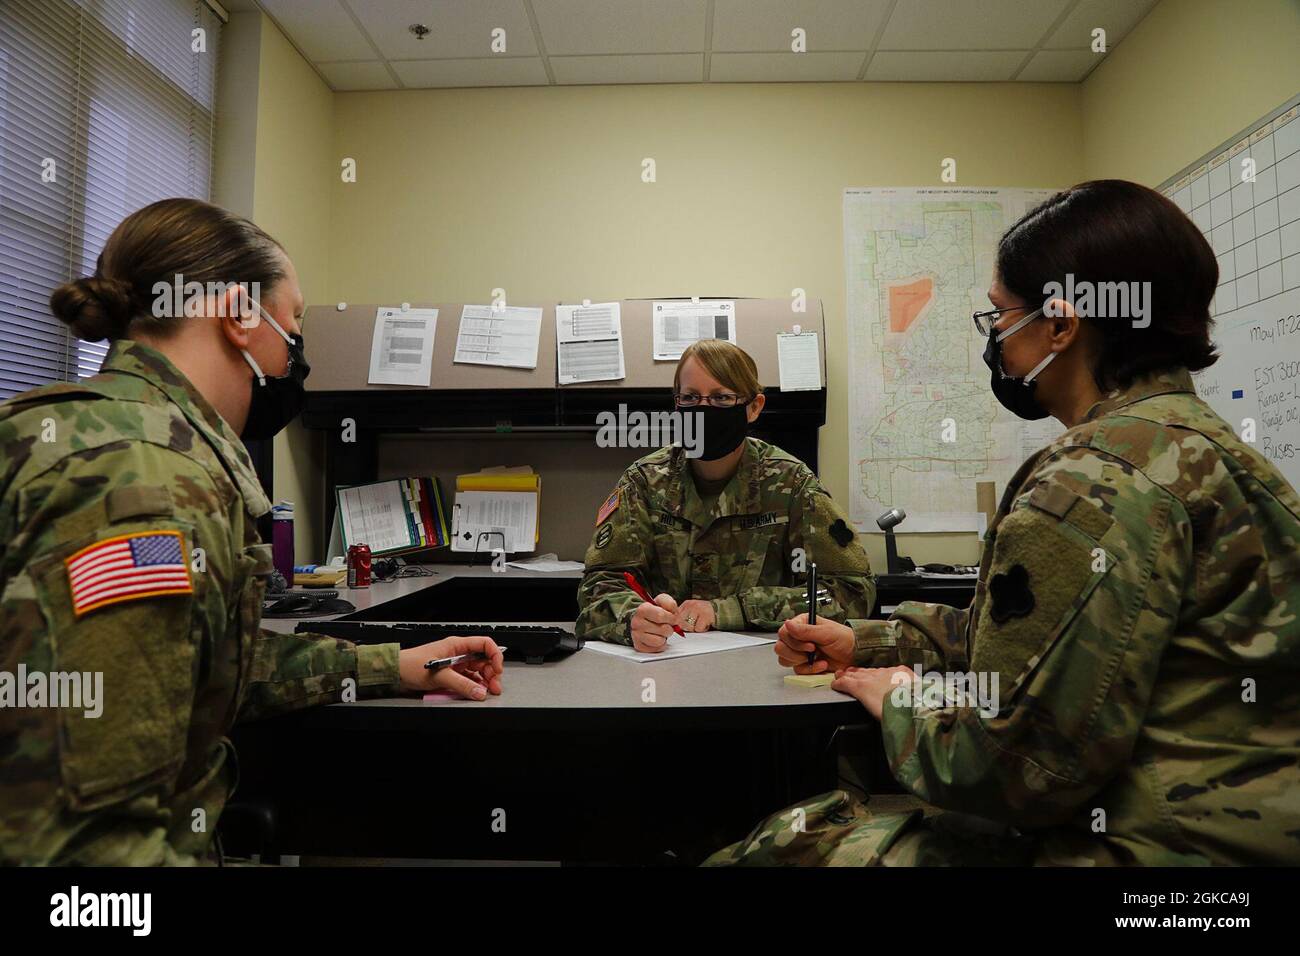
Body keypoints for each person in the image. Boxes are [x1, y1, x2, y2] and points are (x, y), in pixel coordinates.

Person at [709, 180, 1300, 866]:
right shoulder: (1219, 454)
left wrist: (905, 700)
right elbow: (1041, 637)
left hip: (1146, 852)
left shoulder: (1090, 480)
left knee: (784, 844)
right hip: (1236, 836)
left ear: (1060, 324)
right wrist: (867, 645)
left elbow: (1015, 771)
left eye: (999, 314)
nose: (995, 339)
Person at [0, 198, 504, 865]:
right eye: (293, 322)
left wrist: (395, 665)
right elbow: (88, 851)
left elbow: (197, 665)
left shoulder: (105, 434)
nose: (296, 351)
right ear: (239, 315)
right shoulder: (144, 480)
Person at [576, 339, 874, 652]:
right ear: (677, 405)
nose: (704, 410)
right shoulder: (644, 482)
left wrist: (733, 610)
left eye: (721, 398)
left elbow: (851, 591)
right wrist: (631, 618)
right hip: (661, 663)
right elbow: (599, 585)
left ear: (754, 407)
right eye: (690, 398)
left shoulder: (792, 484)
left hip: (765, 665)